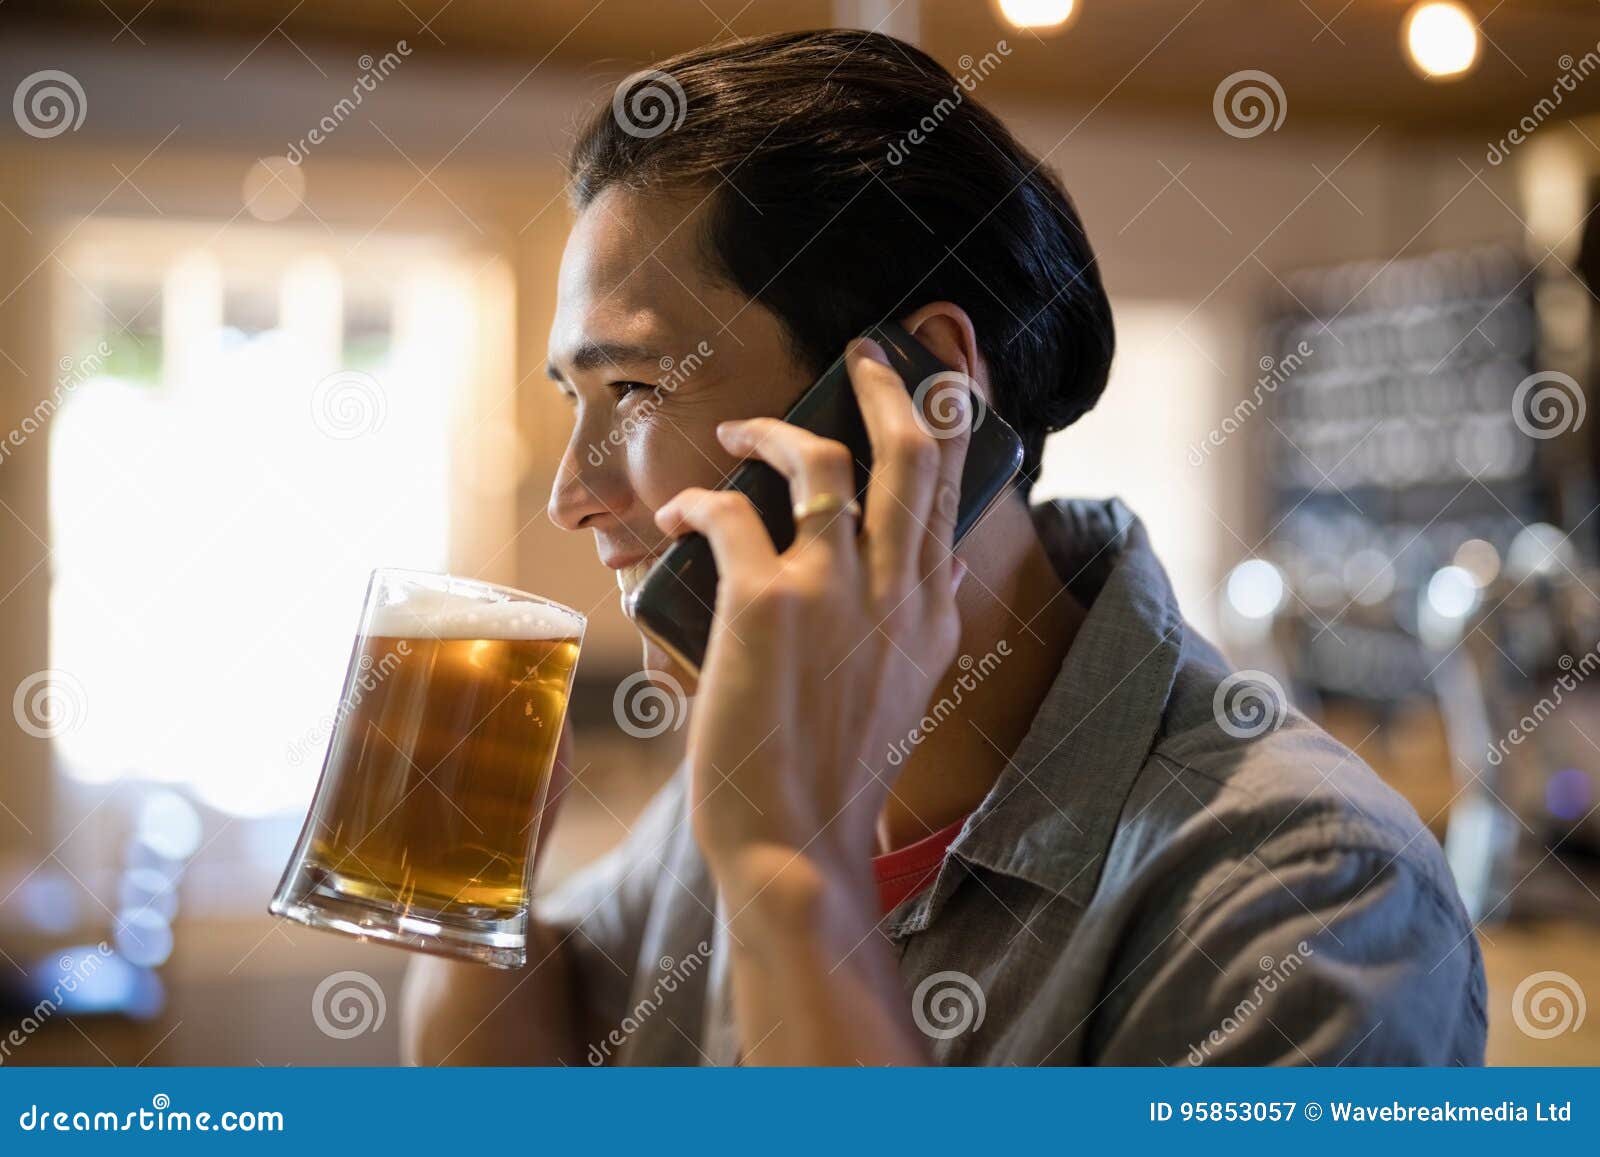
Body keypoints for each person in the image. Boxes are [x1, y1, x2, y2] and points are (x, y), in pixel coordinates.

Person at [401, 29, 1486, 1066]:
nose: (571, 497)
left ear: (927, 392)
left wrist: (790, 873)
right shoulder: (745, 768)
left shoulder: (1309, 895)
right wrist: (460, 879)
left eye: (637, 389)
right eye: (576, 398)